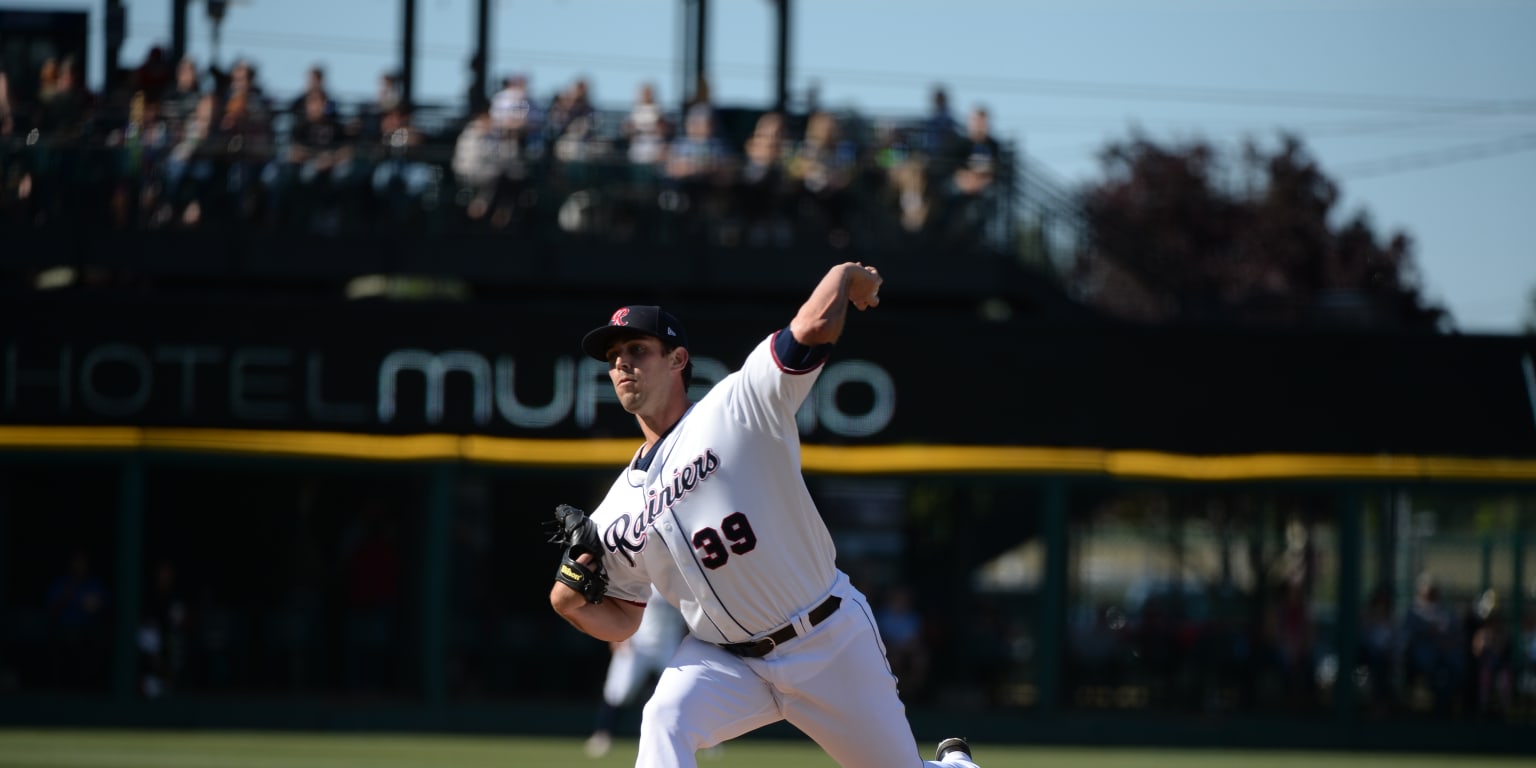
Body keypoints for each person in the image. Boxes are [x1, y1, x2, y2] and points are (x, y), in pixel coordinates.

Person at [549, 262, 978, 768]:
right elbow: (620, 621)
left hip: (826, 639)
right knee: (665, 718)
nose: (622, 364)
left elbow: (813, 330)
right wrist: (570, 594)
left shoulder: (738, 406)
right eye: (614, 357)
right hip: (725, 658)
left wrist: (841, 276)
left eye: (637, 350)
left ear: (678, 359)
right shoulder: (617, 508)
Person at [585, 585, 688, 758]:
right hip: (638, 645)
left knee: (685, 690)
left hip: (668, 645)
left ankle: (702, 740)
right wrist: (618, 635)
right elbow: (618, 605)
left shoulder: (681, 582)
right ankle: (603, 735)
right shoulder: (641, 580)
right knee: (618, 691)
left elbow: (690, 618)